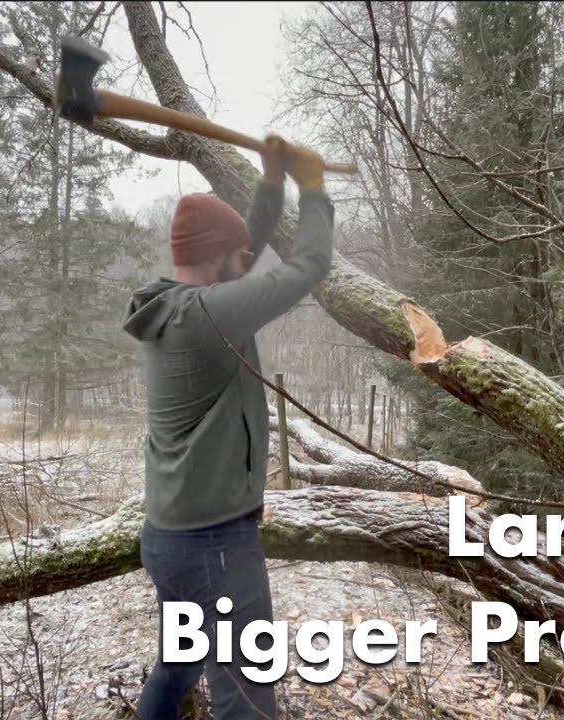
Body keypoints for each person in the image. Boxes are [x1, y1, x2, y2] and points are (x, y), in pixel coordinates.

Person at [122, 135, 333, 720]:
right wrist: (312, 185)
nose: (248, 262)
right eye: (238, 258)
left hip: (169, 538)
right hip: (215, 544)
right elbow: (310, 264)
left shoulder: (179, 308)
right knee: (246, 697)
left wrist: (270, 180)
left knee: (180, 665)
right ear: (219, 262)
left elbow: (245, 245)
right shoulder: (214, 314)